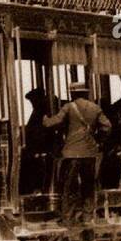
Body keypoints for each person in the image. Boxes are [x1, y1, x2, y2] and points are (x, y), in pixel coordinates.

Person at [43, 82, 111, 224]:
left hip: (71, 153)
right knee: (88, 186)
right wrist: (98, 141)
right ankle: (87, 216)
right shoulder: (95, 108)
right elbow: (107, 126)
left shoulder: (68, 107)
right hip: (90, 153)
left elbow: (53, 123)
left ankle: (67, 217)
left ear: (72, 94)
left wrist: (45, 120)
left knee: (69, 187)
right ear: (86, 93)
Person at [21, 87, 56, 195]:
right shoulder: (39, 112)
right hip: (37, 149)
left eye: (33, 100)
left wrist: (34, 150)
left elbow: (40, 133)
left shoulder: (42, 113)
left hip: (42, 150)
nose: (32, 103)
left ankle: (36, 189)